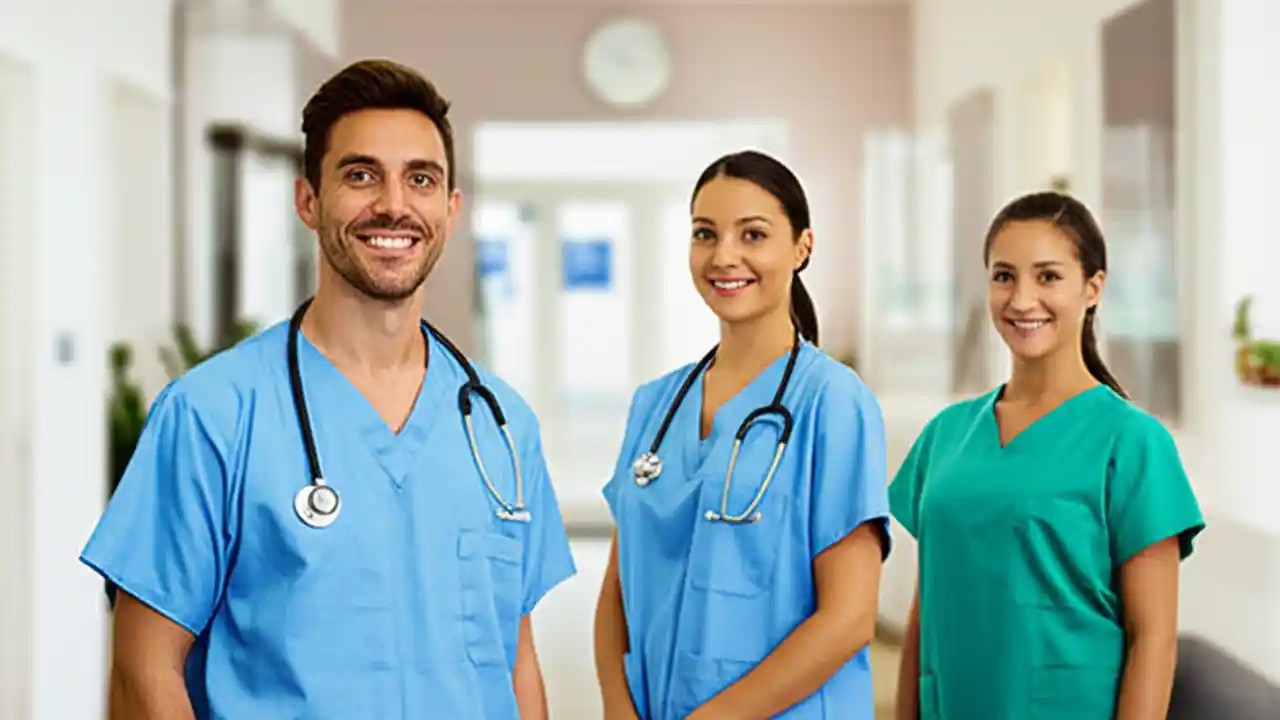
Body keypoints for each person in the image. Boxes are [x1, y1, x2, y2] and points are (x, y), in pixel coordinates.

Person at [80, 59, 576, 719]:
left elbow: (514, 657)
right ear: (308, 201)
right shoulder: (214, 413)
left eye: (420, 179)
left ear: (451, 209)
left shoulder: (503, 424)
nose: (395, 205)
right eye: (361, 175)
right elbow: (144, 672)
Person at [593, 150, 891, 720]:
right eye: (705, 234)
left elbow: (849, 618)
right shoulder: (654, 405)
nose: (724, 256)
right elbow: (617, 591)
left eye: (753, 234)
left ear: (802, 247)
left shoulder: (832, 401)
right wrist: (616, 706)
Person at [889, 191, 1205, 719]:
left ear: (1093, 287)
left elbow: (1153, 639)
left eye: (1048, 276)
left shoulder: (1131, 442)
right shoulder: (947, 435)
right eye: (1004, 275)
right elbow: (926, 615)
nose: (1021, 299)